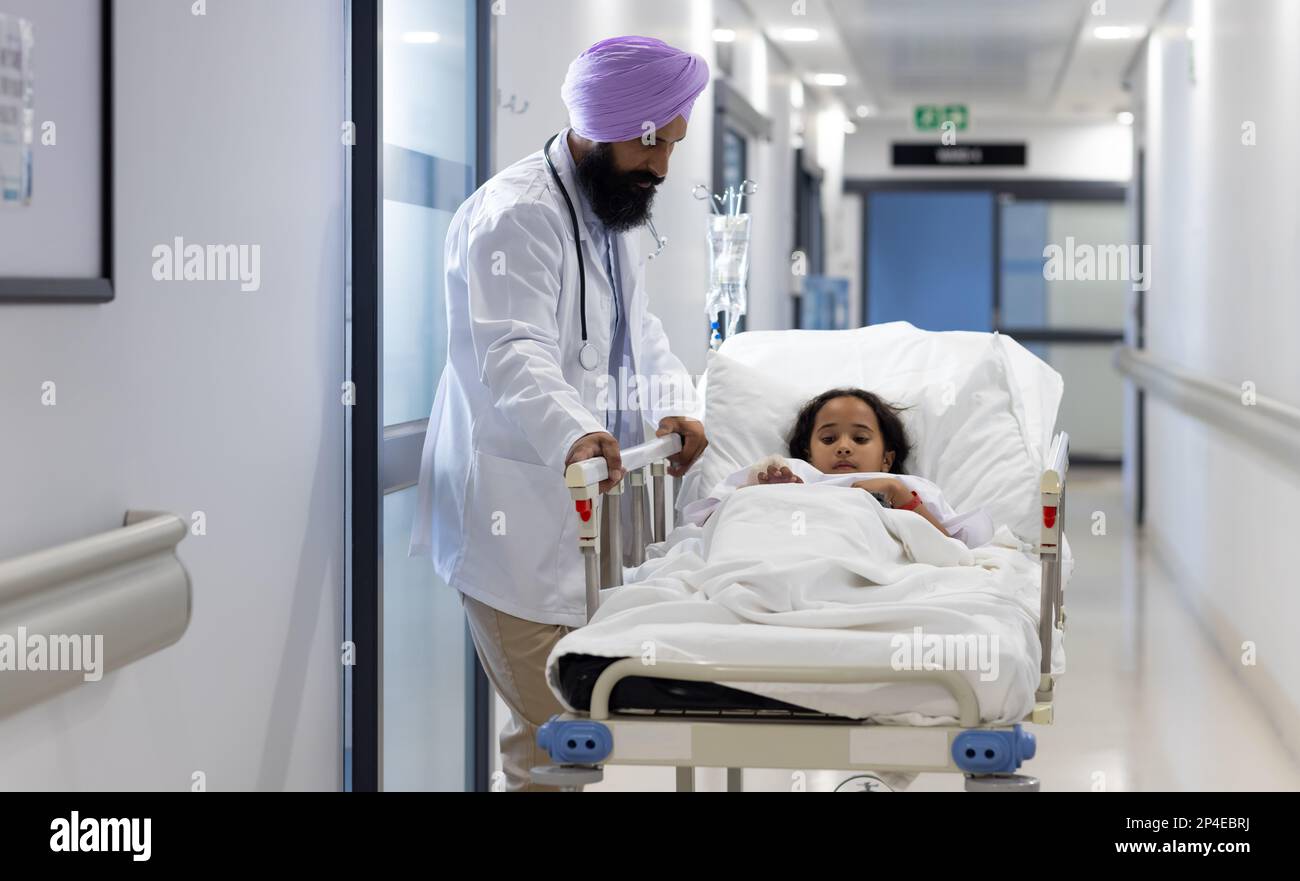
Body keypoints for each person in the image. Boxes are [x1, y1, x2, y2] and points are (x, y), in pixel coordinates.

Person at [409, 35, 711, 791]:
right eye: (654, 146)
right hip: (511, 524)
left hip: (576, 525)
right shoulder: (514, 215)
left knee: (550, 749)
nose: (663, 168)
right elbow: (510, 350)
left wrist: (674, 405)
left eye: (673, 147)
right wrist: (575, 429)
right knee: (564, 737)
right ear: (605, 125)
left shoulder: (612, 216)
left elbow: (639, 336)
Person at [682, 388, 993, 548]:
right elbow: (709, 529)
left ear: (886, 458)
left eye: (860, 438)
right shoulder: (786, 473)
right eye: (829, 438)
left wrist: (898, 495)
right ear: (808, 453)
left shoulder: (907, 485)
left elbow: (954, 553)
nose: (844, 446)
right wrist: (760, 497)